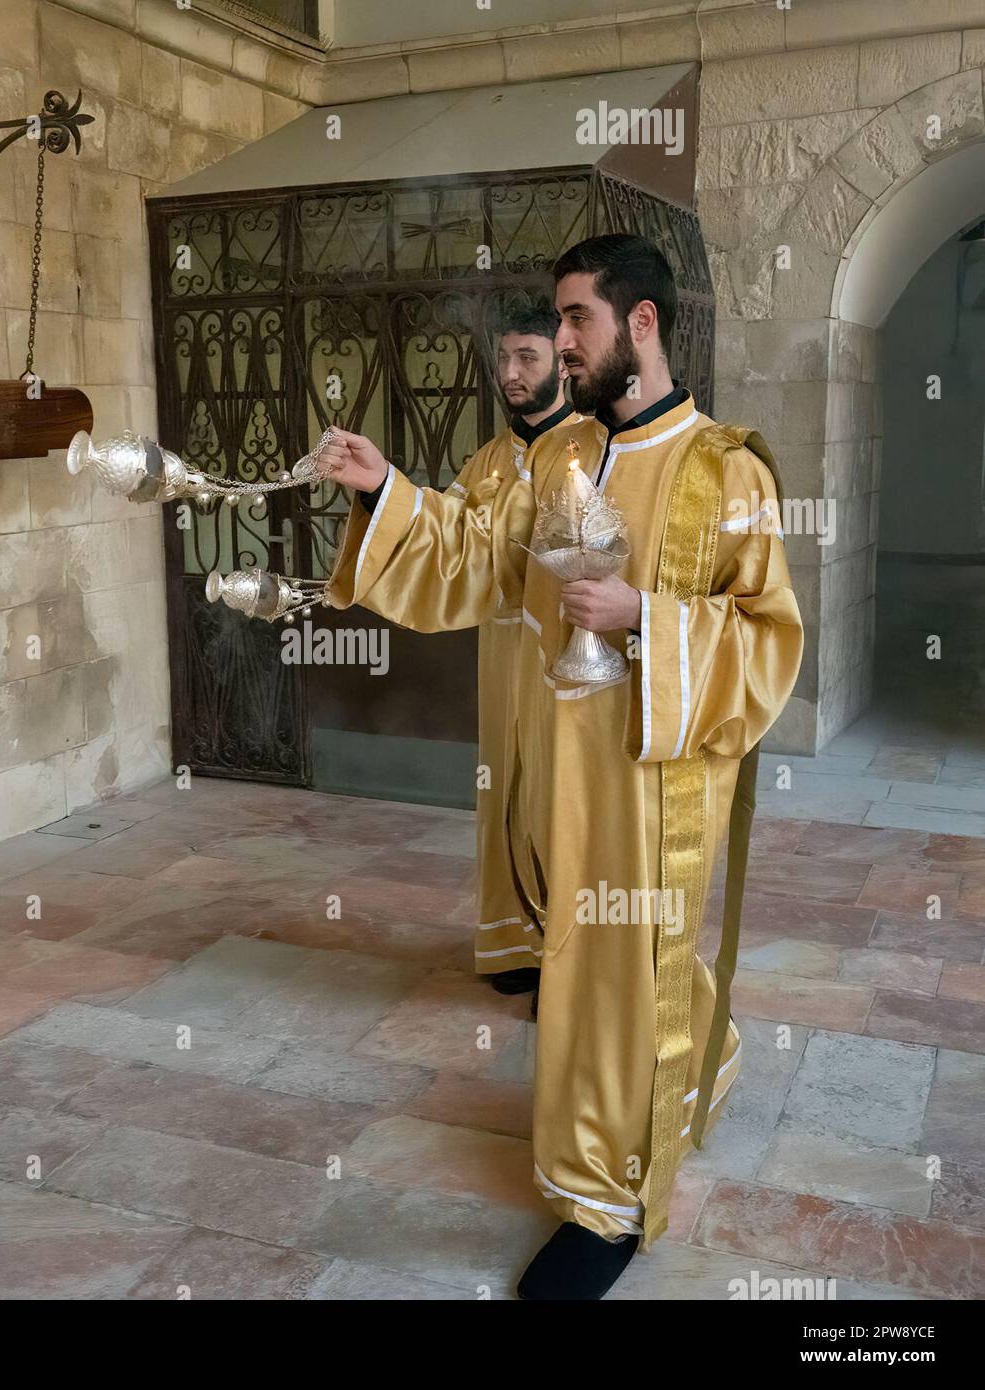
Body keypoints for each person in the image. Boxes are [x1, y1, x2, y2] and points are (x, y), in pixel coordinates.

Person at [322, 233, 803, 1299]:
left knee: (626, 972)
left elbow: (768, 640)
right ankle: (681, 1079)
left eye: (577, 319)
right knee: (585, 968)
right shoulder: (559, 460)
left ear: (641, 323)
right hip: (561, 766)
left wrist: (647, 620)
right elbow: (480, 562)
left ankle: (613, 1199)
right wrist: (385, 490)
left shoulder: (723, 469)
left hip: (652, 773)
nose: (561, 341)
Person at [418, 307, 582, 1001]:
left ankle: (571, 960)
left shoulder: (592, 449)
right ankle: (516, 943)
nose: (511, 374)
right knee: (504, 794)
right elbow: (448, 541)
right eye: (504, 358)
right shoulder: (486, 459)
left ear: (562, 363)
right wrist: (386, 504)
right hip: (500, 653)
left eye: (528, 358)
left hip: (568, 653)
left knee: (560, 798)